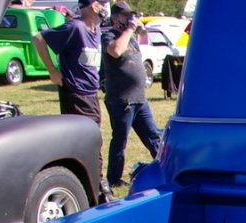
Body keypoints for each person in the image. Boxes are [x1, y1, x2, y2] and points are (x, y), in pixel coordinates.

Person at [33, 0, 112, 197]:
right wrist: (52, 71)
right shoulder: (75, 27)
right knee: (85, 142)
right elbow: (39, 39)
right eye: (103, 3)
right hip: (76, 94)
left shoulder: (96, 30)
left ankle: (97, 185)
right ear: (93, 6)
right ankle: (95, 189)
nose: (105, 7)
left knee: (94, 140)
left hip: (91, 94)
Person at [102, 1, 162, 188]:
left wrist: (136, 31)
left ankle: (165, 168)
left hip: (139, 98)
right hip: (121, 100)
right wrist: (129, 30)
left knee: (153, 135)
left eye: (131, 15)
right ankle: (114, 178)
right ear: (115, 18)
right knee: (120, 139)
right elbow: (116, 51)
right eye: (126, 15)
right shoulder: (108, 35)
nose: (130, 18)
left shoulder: (132, 38)